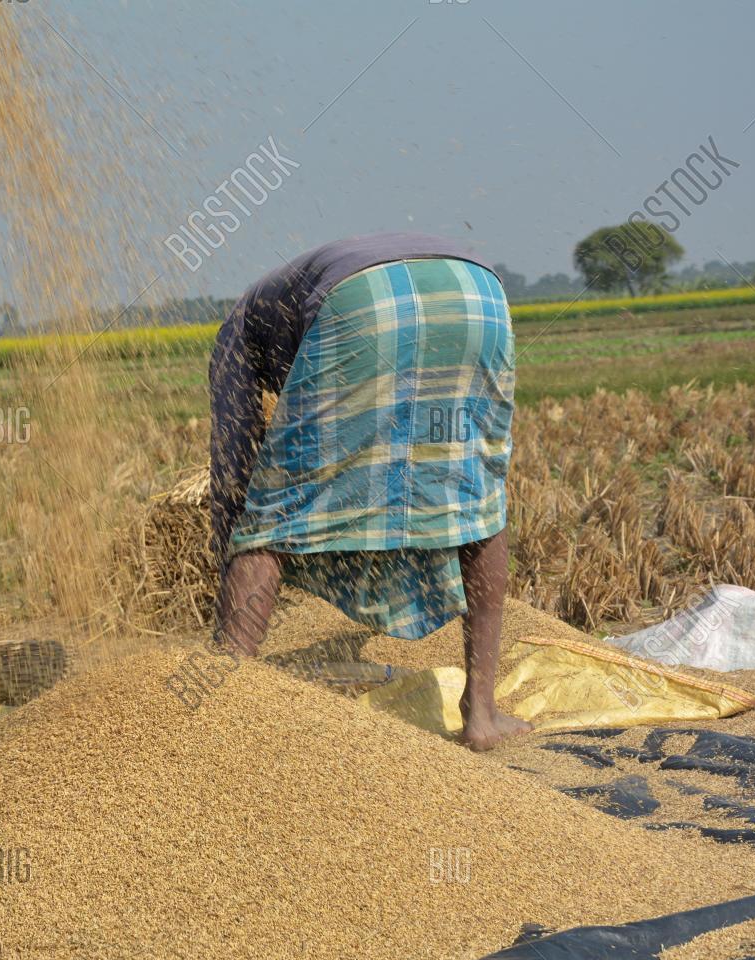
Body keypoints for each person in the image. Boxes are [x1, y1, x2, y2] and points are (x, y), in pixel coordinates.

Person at [209, 233, 532, 751]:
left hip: (362, 304)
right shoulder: (280, 296)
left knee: (267, 516)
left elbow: (234, 470)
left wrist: (232, 547)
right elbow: (400, 459)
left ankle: (219, 706)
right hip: (476, 296)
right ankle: (482, 713)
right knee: (475, 495)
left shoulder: (234, 335)